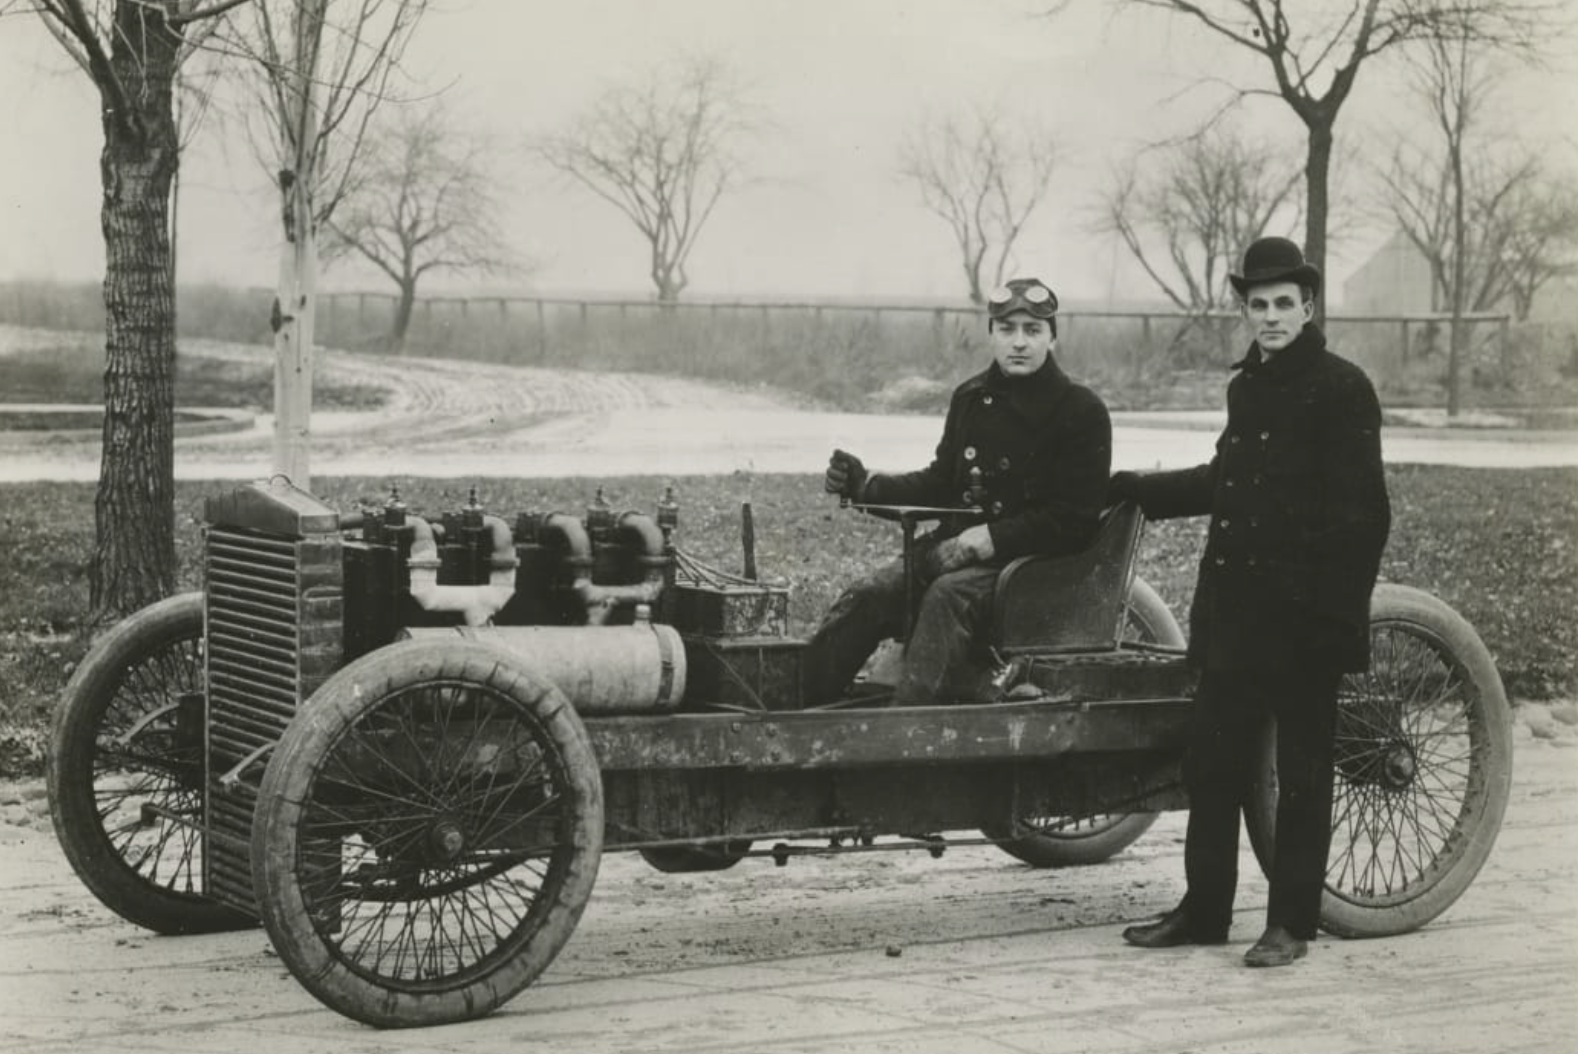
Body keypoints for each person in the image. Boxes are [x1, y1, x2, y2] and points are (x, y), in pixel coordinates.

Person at [1110, 236, 1391, 968]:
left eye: (1282, 305)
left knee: (1301, 777)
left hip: (1303, 624)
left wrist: (1333, 622)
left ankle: (1290, 924)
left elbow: (1365, 520)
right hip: (1234, 615)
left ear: (1308, 307)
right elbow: (1222, 480)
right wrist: (1134, 487)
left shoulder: (1343, 388)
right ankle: (1206, 911)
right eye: (1258, 305)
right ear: (1246, 309)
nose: (1269, 317)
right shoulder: (1248, 387)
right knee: (1214, 766)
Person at [804, 277, 1111, 706]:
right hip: (952, 551)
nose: (1019, 342)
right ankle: (797, 713)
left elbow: (1073, 520)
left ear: (1052, 338)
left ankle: (901, 738)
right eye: (1007, 330)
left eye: (1032, 330)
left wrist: (989, 539)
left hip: (1030, 568)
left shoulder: (1082, 411)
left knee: (944, 598)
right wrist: (867, 485)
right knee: (872, 594)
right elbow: (940, 482)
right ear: (991, 334)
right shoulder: (969, 397)